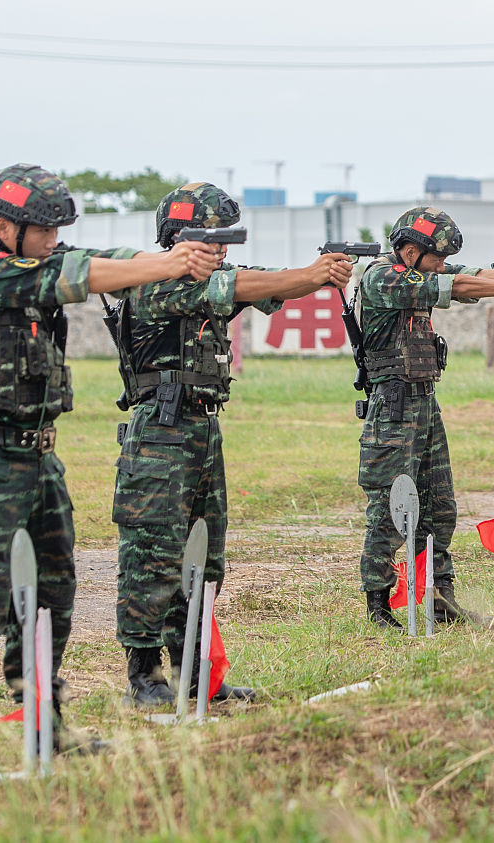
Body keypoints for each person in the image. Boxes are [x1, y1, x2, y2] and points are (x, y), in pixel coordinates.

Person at [0, 164, 221, 761]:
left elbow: (98, 259)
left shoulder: (32, 259)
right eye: (44, 230)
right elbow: (74, 274)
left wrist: (171, 259)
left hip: (37, 459)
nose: (53, 240)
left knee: (51, 597)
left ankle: (43, 721)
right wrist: (170, 264)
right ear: (4, 226)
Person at [113, 183, 354, 704]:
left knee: (204, 558)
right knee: (152, 555)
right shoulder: (156, 282)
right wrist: (312, 274)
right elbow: (246, 284)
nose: (222, 251)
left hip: (200, 428)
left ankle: (196, 674)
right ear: (179, 239)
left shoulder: (211, 281)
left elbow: (266, 285)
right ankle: (144, 677)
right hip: (160, 432)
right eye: (213, 240)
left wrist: (314, 275)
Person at [357, 207, 494, 629]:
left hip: (424, 404)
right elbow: (459, 284)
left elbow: (474, 276)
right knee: (390, 509)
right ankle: (378, 604)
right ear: (411, 251)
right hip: (393, 409)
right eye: (437, 257)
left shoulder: (421, 271)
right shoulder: (383, 277)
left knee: (439, 506)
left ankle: (438, 595)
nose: (442, 265)